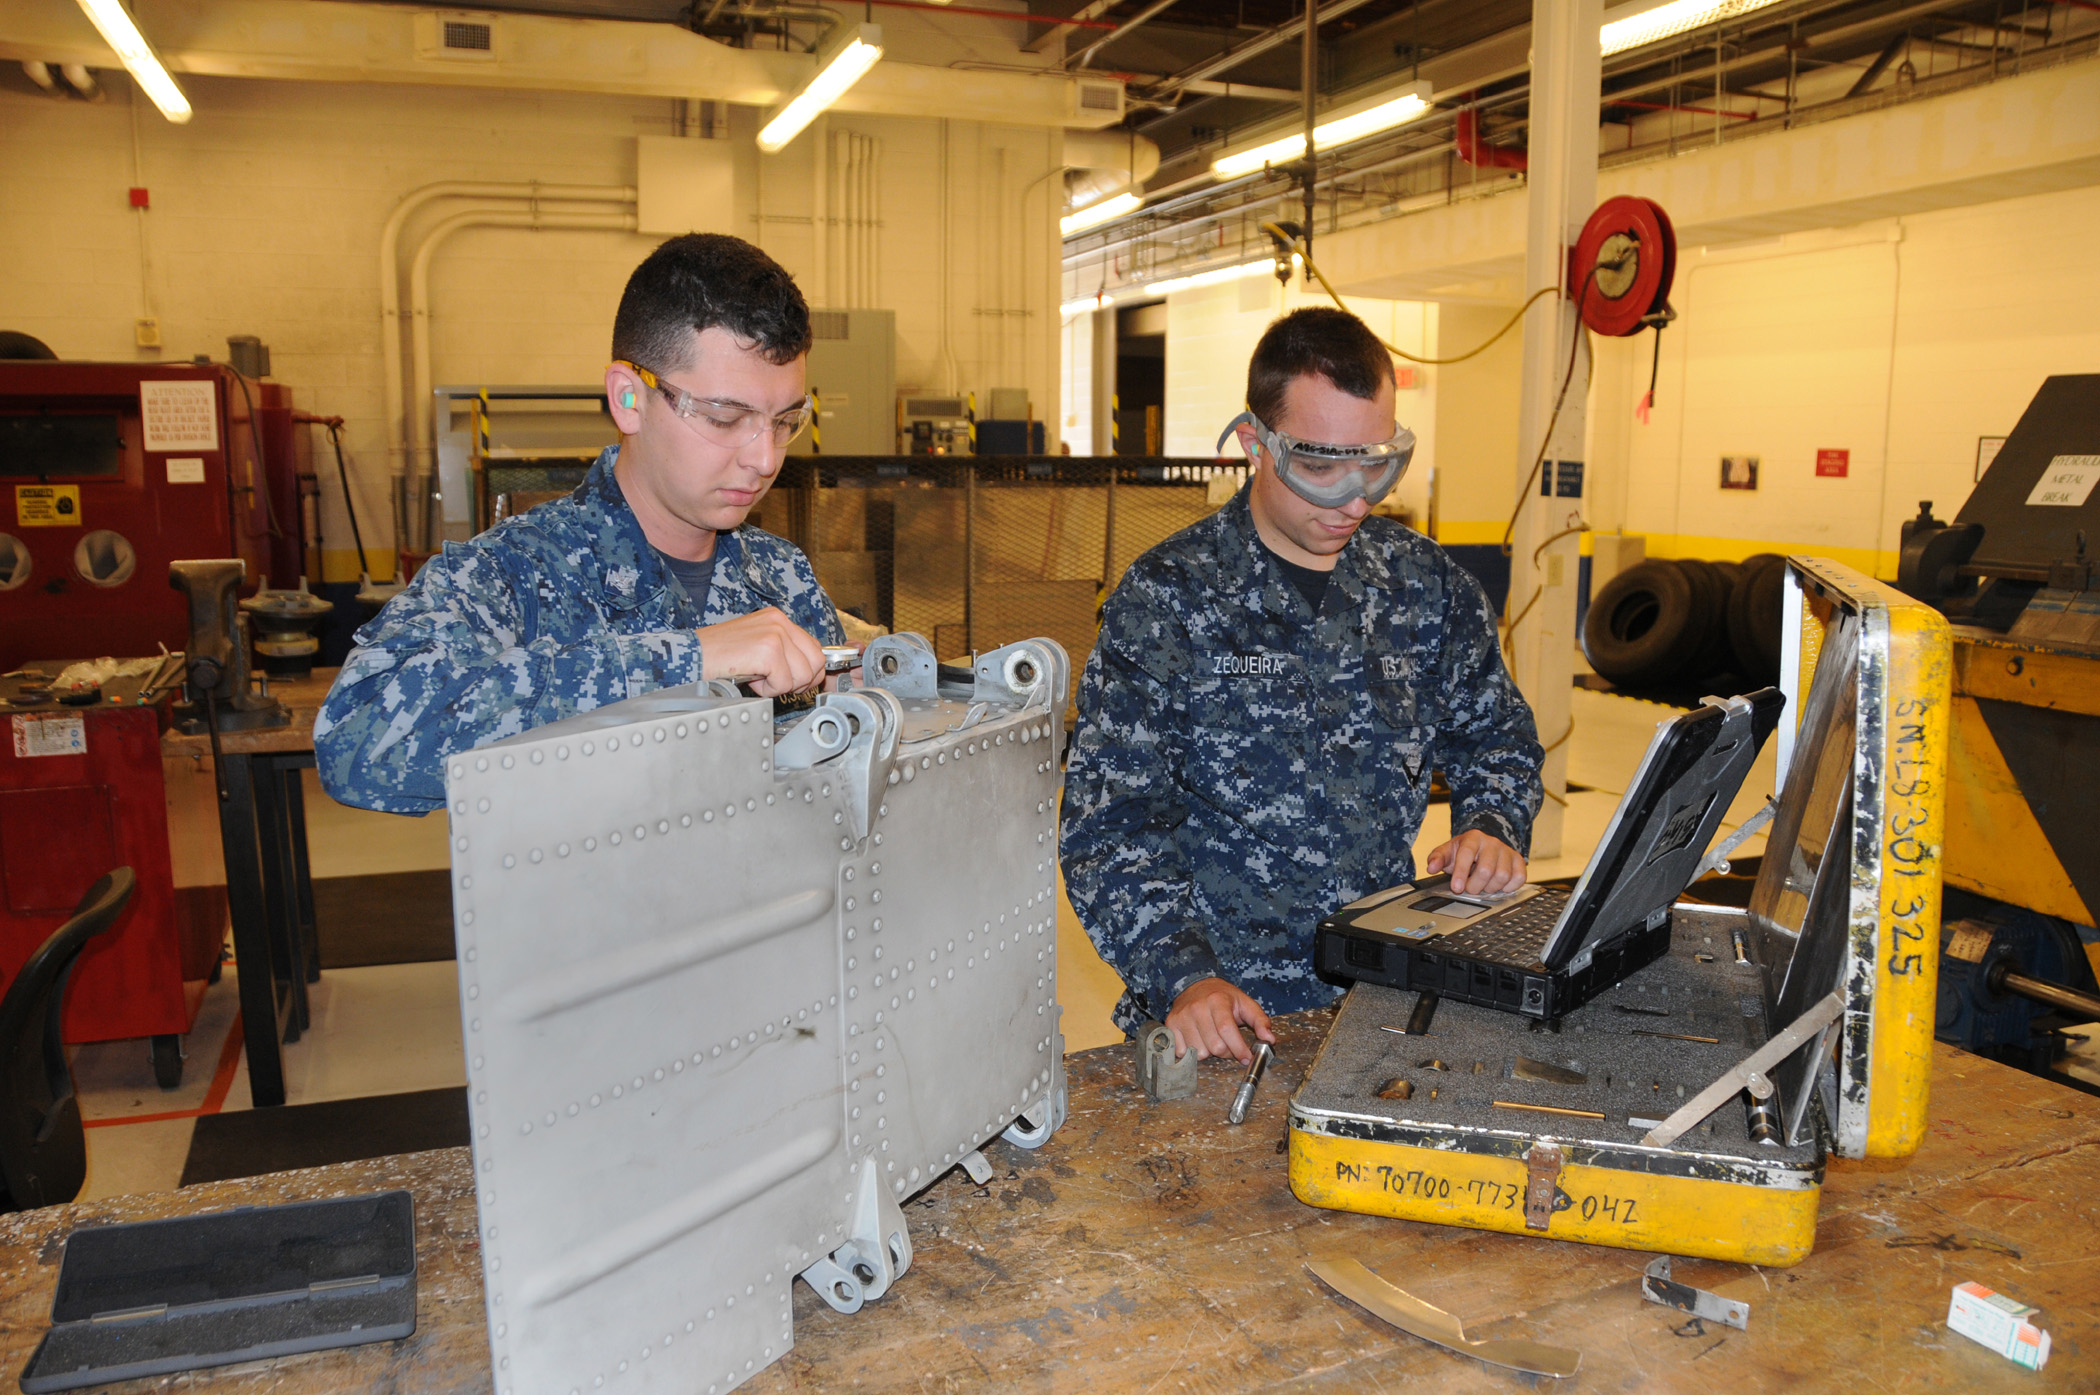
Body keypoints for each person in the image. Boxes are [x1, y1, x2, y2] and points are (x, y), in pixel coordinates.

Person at [1060, 307, 1544, 1064]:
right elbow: (1110, 827)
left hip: (1383, 999)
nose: (1355, 500)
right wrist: (1184, 977)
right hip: (1220, 1020)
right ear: (1256, 445)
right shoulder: (1168, 600)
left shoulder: (1423, 586)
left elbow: (1497, 735)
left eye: (1376, 464)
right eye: (1321, 468)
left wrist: (1492, 825)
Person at [315, 233, 844, 815]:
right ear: (628, 398)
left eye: (784, 421)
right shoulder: (513, 573)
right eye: (724, 418)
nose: (765, 458)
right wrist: (687, 660)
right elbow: (356, 743)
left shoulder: (781, 574)